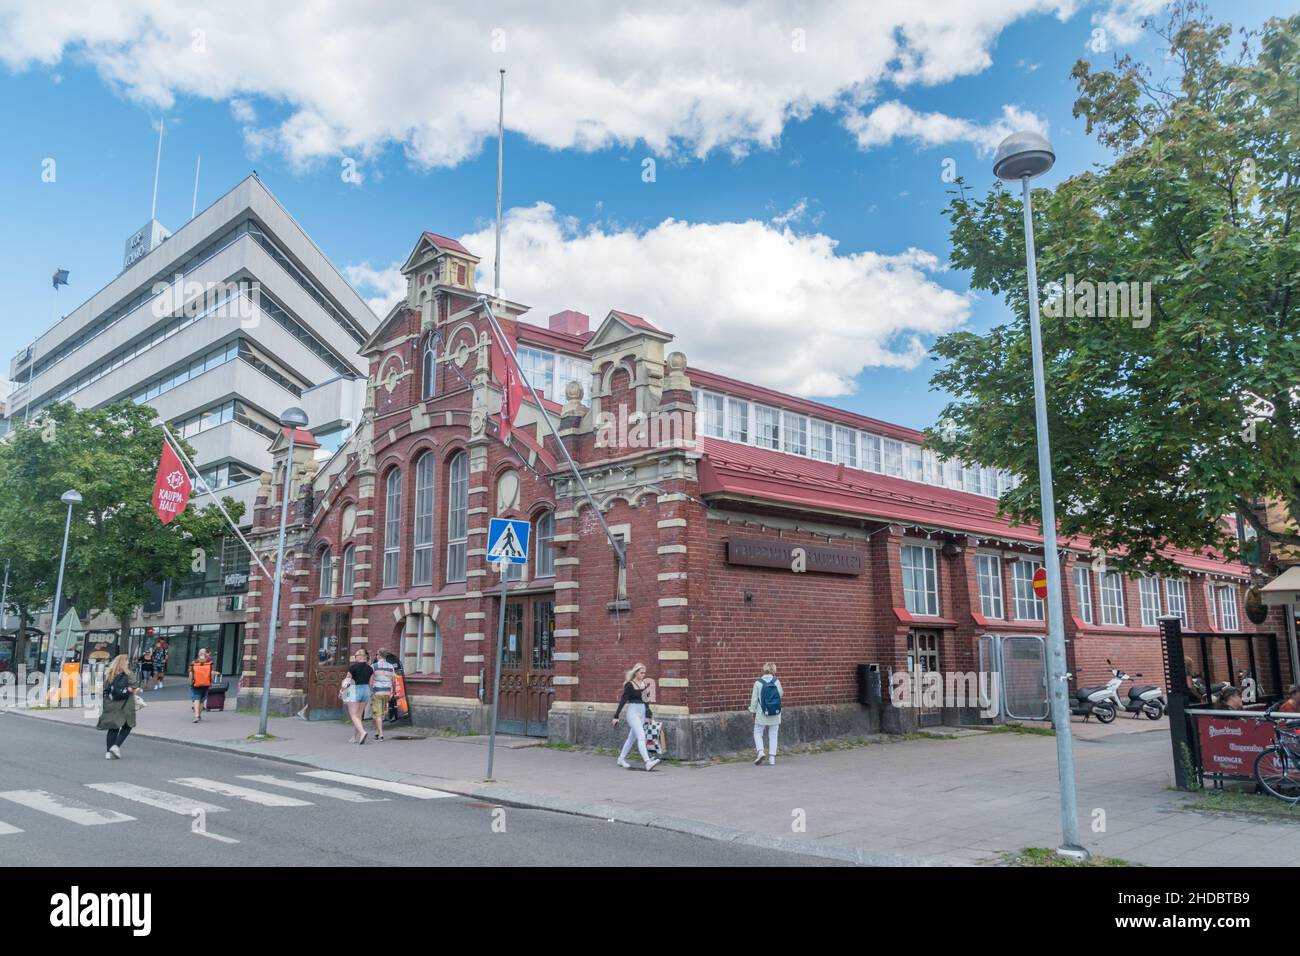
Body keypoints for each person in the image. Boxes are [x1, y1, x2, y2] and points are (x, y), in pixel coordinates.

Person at [611, 662, 659, 771]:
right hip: (633, 712)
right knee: (641, 736)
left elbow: (646, 701)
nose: (643, 675)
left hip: (642, 712)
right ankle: (647, 762)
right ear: (636, 672)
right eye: (641, 673)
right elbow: (623, 700)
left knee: (631, 738)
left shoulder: (644, 684)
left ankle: (621, 759)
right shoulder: (629, 685)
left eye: (644, 673)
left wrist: (649, 713)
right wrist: (616, 716)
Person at [96, 654, 140, 759]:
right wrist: (133, 690)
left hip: (111, 703)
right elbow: (134, 686)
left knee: (113, 727)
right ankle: (116, 746)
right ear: (123, 663)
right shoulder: (129, 674)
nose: (128, 662)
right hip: (125, 704)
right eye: (127, 661)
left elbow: (104, 689)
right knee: (128, 725)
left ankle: (108, 752)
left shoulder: (110, 674)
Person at [749, 662, 783, 766]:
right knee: (773, 733)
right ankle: (772, 758)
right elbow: (780, 694)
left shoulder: (758, 683)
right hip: (775, 712)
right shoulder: (776, 681)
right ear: (774, 670)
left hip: (762, 712)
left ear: (764, 670)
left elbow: (754, 700)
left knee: (758, 731)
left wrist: (752, 711)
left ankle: (760, 752)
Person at [344, 649, 372, 745]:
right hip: (366, 690)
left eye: (355, 655)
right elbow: (371, 683)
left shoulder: (353, 667)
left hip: (355, 690)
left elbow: (347, 681)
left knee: (353, 715)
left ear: (360, 656)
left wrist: (341, 691)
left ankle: (362, 732)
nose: (355, 657)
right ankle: (354, 737)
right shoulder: (370, 668)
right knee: (358, 716)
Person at [369, 648, 396, 741]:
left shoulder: (374, 666)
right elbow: (393, 681)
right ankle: (377, 733)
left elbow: (371, 681)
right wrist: (392, 692)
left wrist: (370, 690)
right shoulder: (391, 666)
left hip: (377, 692)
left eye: (376, 654)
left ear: (379, 655)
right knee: (380, 713)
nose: (376, 656)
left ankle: (380, 735)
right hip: (387, 692)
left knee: (377, 714)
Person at [189, 648, 214, 722]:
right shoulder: (209, 663)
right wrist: (211, 683)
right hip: (206, 684)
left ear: (198, 654)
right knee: (202, 701)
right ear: (206, 654)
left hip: (195, 684)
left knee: (196, 699)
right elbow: (211, 674)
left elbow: (190, 673)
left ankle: (196, 716)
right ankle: (199, 715)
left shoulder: (194, 662)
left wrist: (190, 683)